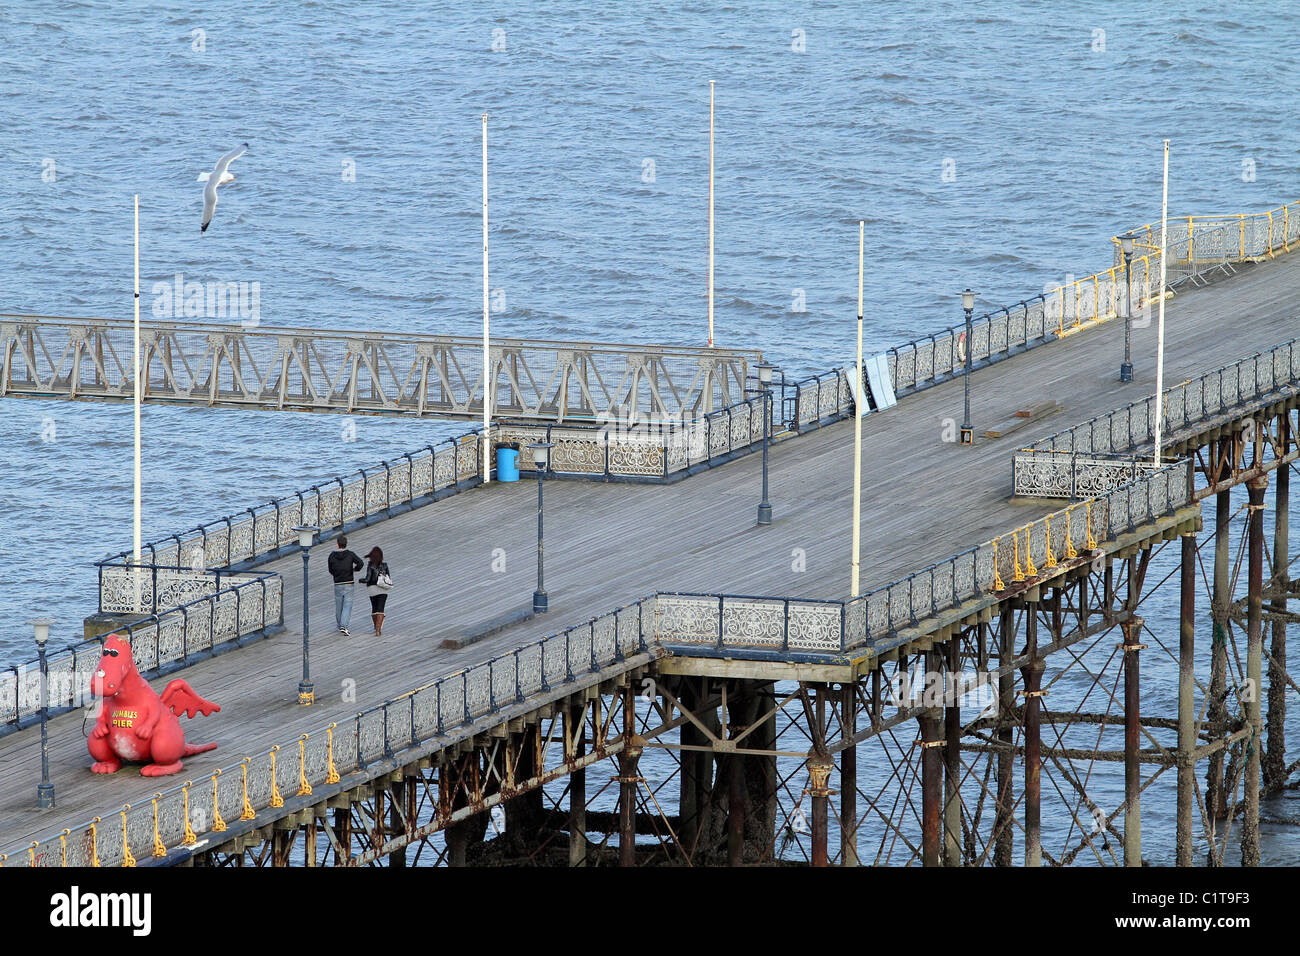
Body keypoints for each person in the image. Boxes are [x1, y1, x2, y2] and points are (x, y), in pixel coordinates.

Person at [327, 535, 363, 636]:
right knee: (347, 605)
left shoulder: (332, 555)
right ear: (346, 544)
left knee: (339, 605)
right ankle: (344, 625)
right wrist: (354, 570)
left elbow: (330, 569)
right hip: (349, 582)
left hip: (337, 583)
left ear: (337, 544)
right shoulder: (350, 554)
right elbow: (360, 563)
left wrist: (336, 574)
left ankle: (339, 625)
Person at [362, 546, 392, 636]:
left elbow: (367, 579)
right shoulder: (385, 565)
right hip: (383, 588)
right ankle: (378, 630)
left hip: (372, 589)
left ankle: (375, 626)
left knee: (374, 608)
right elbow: (388, 577)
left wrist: (361, 580)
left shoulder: (370, 566)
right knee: (381, 608)